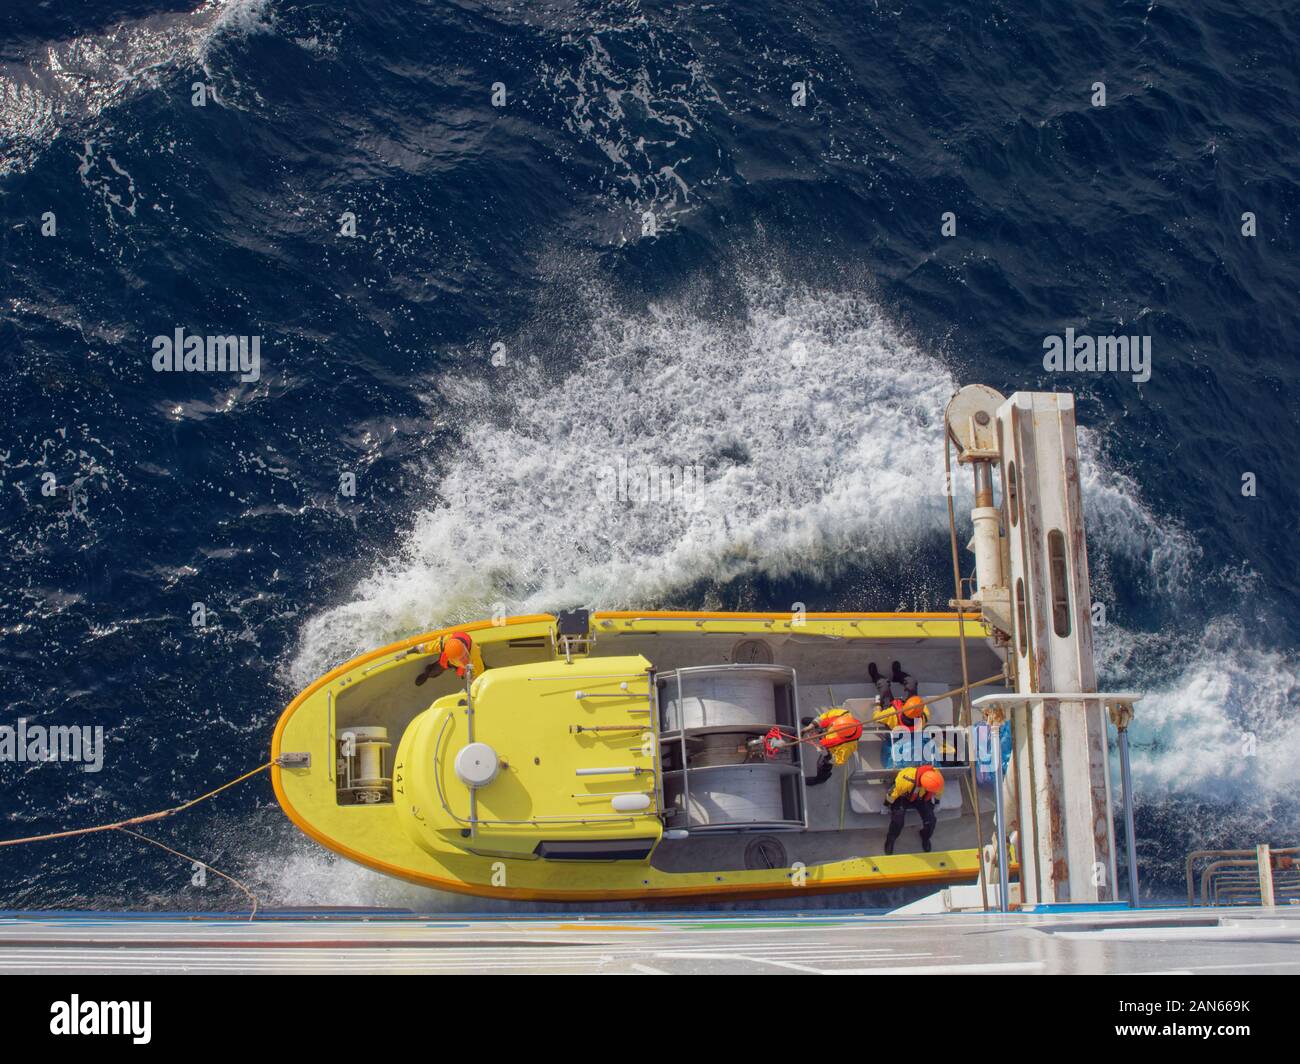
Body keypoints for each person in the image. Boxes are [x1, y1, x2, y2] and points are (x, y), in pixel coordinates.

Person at [883, 763, 944, 855]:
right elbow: (892, 794)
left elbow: (938, 791)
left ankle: (925, 836)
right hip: (904, 797)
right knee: (898, 821)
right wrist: (885, 805)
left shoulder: (937, 778)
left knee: (931, 821)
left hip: (921, 797)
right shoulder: (905, 780)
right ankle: (891, 839)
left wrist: (937, 803)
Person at [800, 707, 863, 786]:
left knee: (823, 764)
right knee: (821, 722)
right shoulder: (843, 713)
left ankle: (820, 779)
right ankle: (814, 723)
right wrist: (812, 725)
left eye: (835, 731)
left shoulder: (848, 746)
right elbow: (826, 716)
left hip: (829, 750)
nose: (832, 729)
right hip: (827, 730)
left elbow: (839, 760)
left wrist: (826, 754)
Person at [414, 630, 484, 686]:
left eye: (464, 656)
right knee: (437, 670)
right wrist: (416, 649)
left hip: (461, 664)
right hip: (450, 659)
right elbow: (429, 646)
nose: (464, 659)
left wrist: (473, 681)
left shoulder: (474, 655)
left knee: (471, 670)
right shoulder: (446, 642)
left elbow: (478, 674)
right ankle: (427, 674)